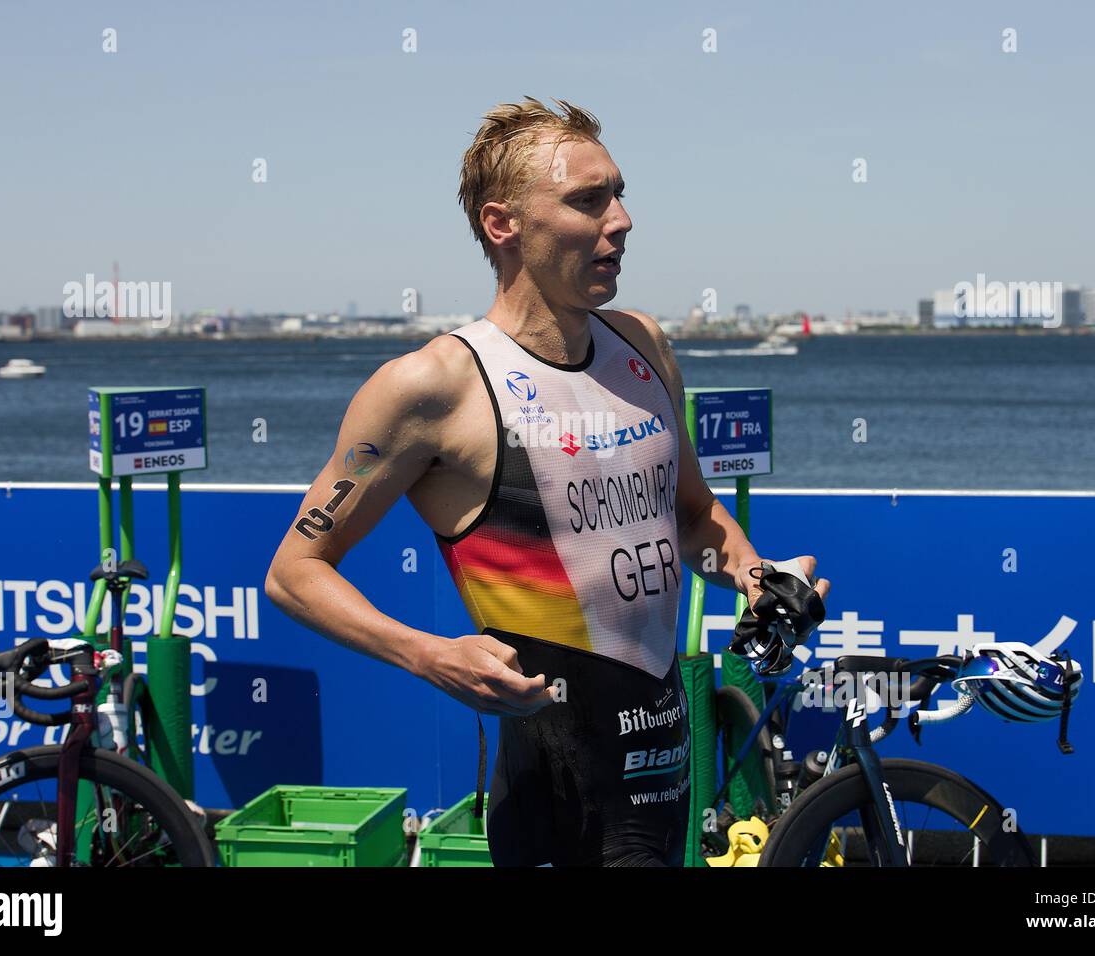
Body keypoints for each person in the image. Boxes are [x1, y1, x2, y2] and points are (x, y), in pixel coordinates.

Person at [264, 96, 831, 866]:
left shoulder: (644, 344)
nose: (623, 219)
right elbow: (295, 573)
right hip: (550, 795)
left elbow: (694, 519)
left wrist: (758, 578)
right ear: (504, 225)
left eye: (620, 193)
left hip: (666, 768)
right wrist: (427, 655)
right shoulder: (432, 387)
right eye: (588, 200)